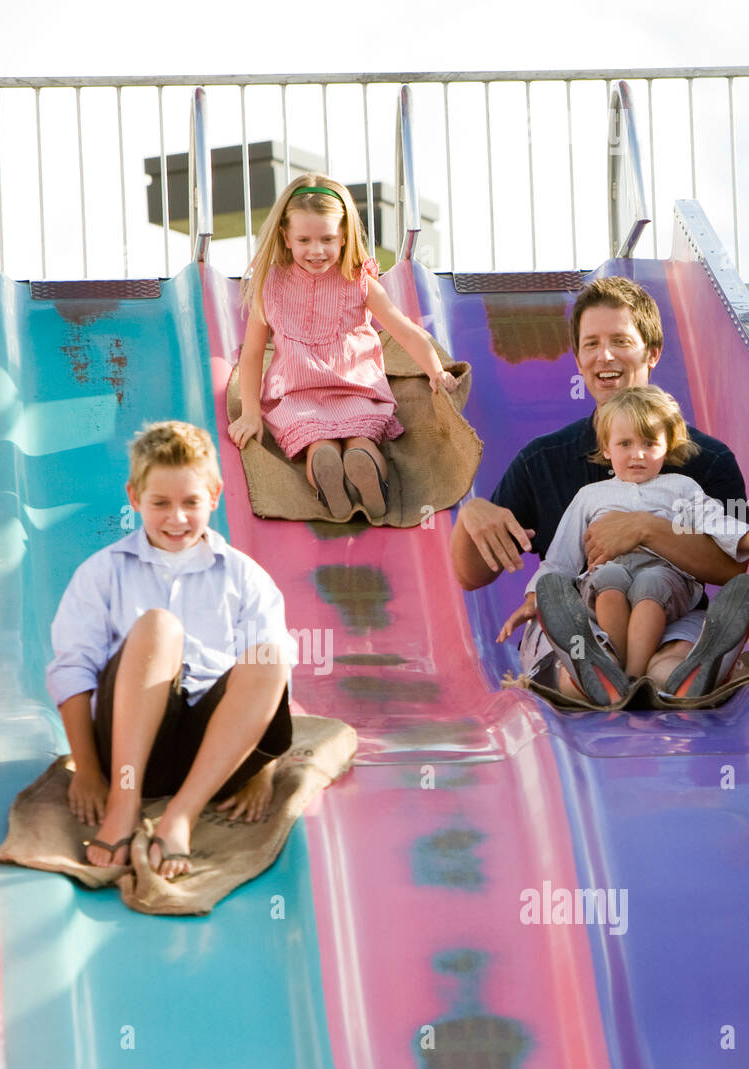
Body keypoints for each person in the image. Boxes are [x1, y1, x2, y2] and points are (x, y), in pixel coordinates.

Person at [450, 275, 749, 699]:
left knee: (670, 667)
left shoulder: (711, 459)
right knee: (576, 658)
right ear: (577, 359)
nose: (604, 356)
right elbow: (471, 575)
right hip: (578, 619)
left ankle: (684, 670)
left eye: (620, 341)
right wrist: (470, 515)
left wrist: (645, 528)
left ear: (652, 352)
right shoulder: (544, 459)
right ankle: (588, 671)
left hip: (671, 615)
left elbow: (734, 567)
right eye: (590, 344)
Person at [45, 421, 297, 881]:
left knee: (271, 654)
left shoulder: (244, 577)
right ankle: (124, 807)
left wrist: (262, 768)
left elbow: (268, 684)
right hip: (128, 749)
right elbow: (72, 669)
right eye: (160, 503)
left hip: (215, 758)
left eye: (191, 503)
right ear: (134, 497)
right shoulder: (103, 572)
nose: (176, 518)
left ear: (215, 495)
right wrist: (86, 770)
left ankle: (181, 816)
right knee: (160, 627)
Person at [497, 386, 749, 702]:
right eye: (625, 444)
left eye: (649, 444)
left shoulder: (682, 488)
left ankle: (631, 677)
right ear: (607, 449)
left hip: (665, 579)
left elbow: (719, 524)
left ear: (667, 447)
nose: (637, 454)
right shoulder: (590, 496)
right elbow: (561, 559)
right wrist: (534, 598)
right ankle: (610, 664)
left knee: (651, 583)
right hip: (608, 575)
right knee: (606, 581)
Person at [227, 173, 459, 524]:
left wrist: (436, 370)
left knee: (357, 442)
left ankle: (366, 476)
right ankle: (335, 478)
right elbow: (253, 352)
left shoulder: (359, 280)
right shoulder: (270, 283)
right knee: (321, 447)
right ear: (285, 237)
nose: (316, 250)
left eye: (327, 239)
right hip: (299, 396)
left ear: (345, 237)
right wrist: (250, 412)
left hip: (353, 389)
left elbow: (403, 329)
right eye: (304, 239)